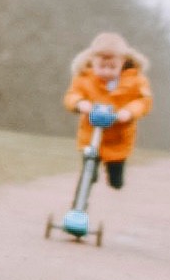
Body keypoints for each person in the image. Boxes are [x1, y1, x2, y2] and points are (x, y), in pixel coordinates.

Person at [63, 32, 153, 188]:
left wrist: (129, 112)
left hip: (119, 137)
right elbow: (72, 95)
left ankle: (115, 175)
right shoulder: (84, 77)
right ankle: (80, 203)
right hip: (91, 136)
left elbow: (144, 101)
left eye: (112, 67)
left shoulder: (135, 80)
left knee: (116, 182)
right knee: (88, 174)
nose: (106, 72)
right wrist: (79, 103)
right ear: (92, 61)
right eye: (101, 67)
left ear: (123, 62)